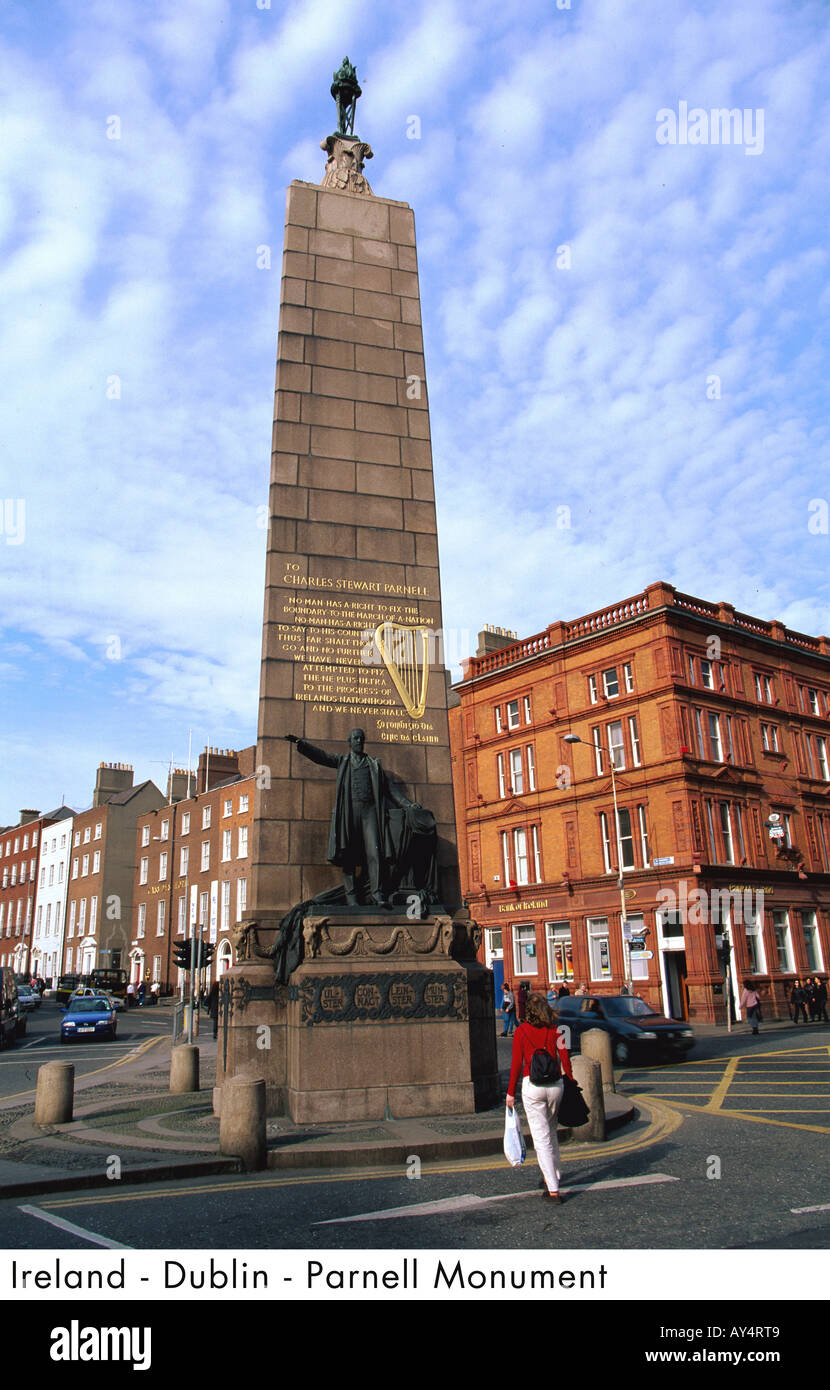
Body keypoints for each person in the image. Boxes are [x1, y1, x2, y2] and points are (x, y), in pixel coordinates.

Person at [285, 729, 422, 907]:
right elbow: (322, 756)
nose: (359, 741)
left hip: (370, 813)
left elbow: (390, 789)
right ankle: (351, 898)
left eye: (361, 739)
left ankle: (377, 894)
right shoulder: (343, 761)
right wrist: (301, 744)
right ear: (349, 742)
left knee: (375, 852)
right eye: (356, 738)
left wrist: (408, 804)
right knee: (347, 854)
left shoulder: (373, 764)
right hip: (349, 811)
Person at [506, 993, 573, 1203]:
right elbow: (565, 1058)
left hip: (533, 1086)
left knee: (541, 1138)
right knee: (551, 1133)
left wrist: (510, 1093)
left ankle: (552, 1188)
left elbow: (517, 1064)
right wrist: (569, 1081)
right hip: (555, 1086)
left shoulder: (521, 1031)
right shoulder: (556, 1030)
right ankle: (555, 1174)